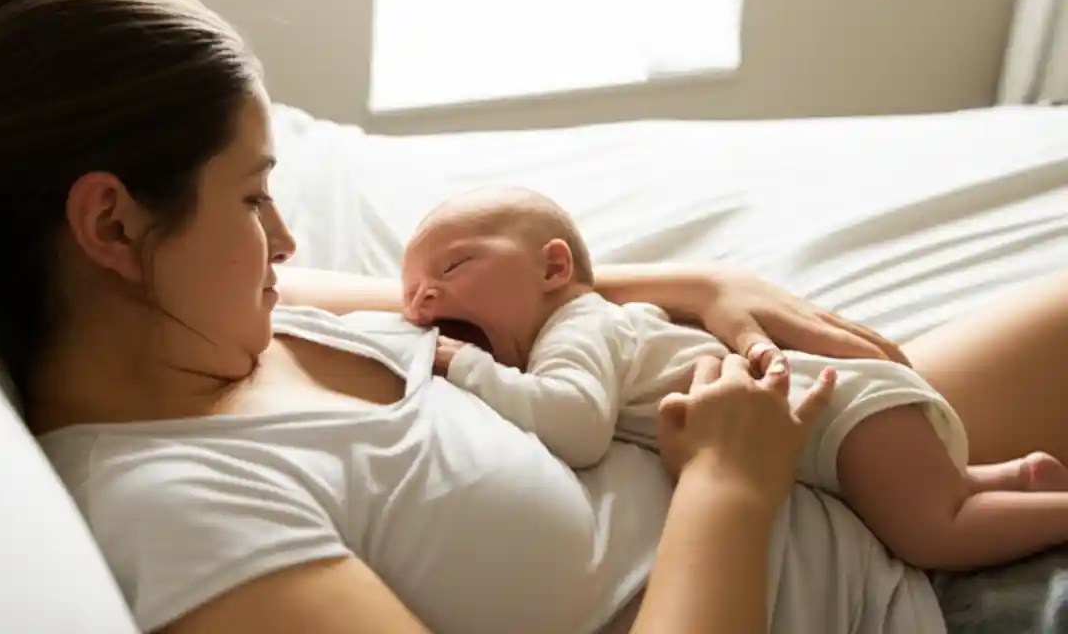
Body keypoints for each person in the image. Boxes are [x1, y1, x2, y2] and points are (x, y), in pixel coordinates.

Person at [0, 0, 1065, 633]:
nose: (287, 235)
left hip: (839, 477)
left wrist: (699, 283)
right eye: (249, 197)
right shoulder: (184, 515)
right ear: (111, 223)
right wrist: (731, 487)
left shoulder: (244, 318)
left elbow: (466, 297)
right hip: (884, 592)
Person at [400, 186, 1068, 570]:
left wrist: (466, 365)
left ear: (552, 268)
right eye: (412, 291)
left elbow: (573, 425)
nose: (424, 300)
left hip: (845, 419)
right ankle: (1018, 478)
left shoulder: (577, 329)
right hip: (853, 414)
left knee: (936, 531)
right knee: (944, 489)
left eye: (452, 270)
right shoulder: (602, 322)